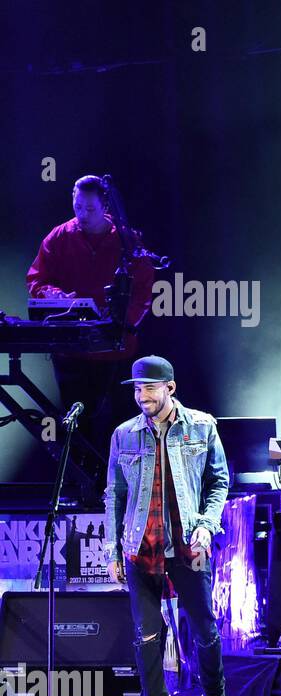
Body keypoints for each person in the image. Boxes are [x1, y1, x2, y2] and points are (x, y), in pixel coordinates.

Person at [103, 355, 237, 696]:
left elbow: (218, 482)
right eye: (137, 389)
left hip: (188, 546)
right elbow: (114, 494)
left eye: (149, 387)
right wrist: (112, 550)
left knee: (205, 629)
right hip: (140, 549)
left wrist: (207, 527)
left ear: (169, 387)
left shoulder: (201, 426)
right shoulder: (123, 434)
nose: (142, 395)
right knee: (147, 635)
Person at [27, 175, 156, 480]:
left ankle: (124, 484)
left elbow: (143, 290)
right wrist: (54, 295)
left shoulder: (126, 240)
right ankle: (83, 485)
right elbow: (36, 279)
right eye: (78, 208)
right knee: (76, 423)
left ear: (105, 207)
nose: (82, 215)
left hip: (115, 348)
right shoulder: (59, 237)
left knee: (121, 420)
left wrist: (123, 326)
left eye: (89, 209)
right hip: (72, 350)